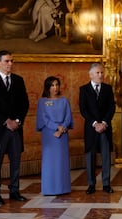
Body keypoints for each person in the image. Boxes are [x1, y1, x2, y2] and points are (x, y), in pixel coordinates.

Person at [0, 50, 30, 205]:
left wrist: (17, 121)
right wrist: (6, 121)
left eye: (12, 61)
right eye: (7, 61)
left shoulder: (19, 80)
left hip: (16, 128)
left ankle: (14, 190)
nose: (10, 64)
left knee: (16, 161)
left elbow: (25, 104)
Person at [79, 62, 115, 194]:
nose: (101, 75)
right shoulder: (83, 89)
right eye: (98, 73)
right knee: (90, 157)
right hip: (91, 128)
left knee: (106, 156)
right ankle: (91, 184)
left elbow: (112, 108)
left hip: (105, 128)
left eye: (102, 72)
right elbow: (83, 110)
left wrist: (104, 123)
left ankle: (106, 184)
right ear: (91, 75)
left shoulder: (108, 88)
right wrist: (95, 123)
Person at [36, 76, 73, 195]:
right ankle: (49, 189)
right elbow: (44, 119)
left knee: (61, 162)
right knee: (50, 162)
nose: (55, 87)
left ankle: (63, 188)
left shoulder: (64, 101)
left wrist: (62, 128)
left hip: (62, 135)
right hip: (49, 135)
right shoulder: (43, 102)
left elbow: (68, 117)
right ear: (47, 87)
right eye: (52, 85)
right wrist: (56, 127)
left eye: (57, 85)